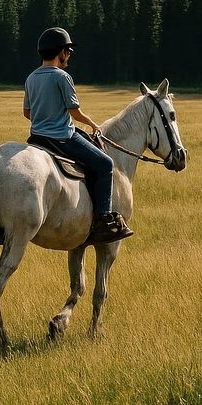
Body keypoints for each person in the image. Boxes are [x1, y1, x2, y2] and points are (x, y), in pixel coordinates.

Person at [23, 27, 134, 244]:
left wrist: (44, 120)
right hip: (62, 138)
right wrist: (93, 123)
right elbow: (74, 111)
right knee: (105, 164)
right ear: (60, 51)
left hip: (37, 138)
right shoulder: (62, 77)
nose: (69, 55)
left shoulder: (31, 77)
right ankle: (103, 219)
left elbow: (27, 112)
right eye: (68, 50)